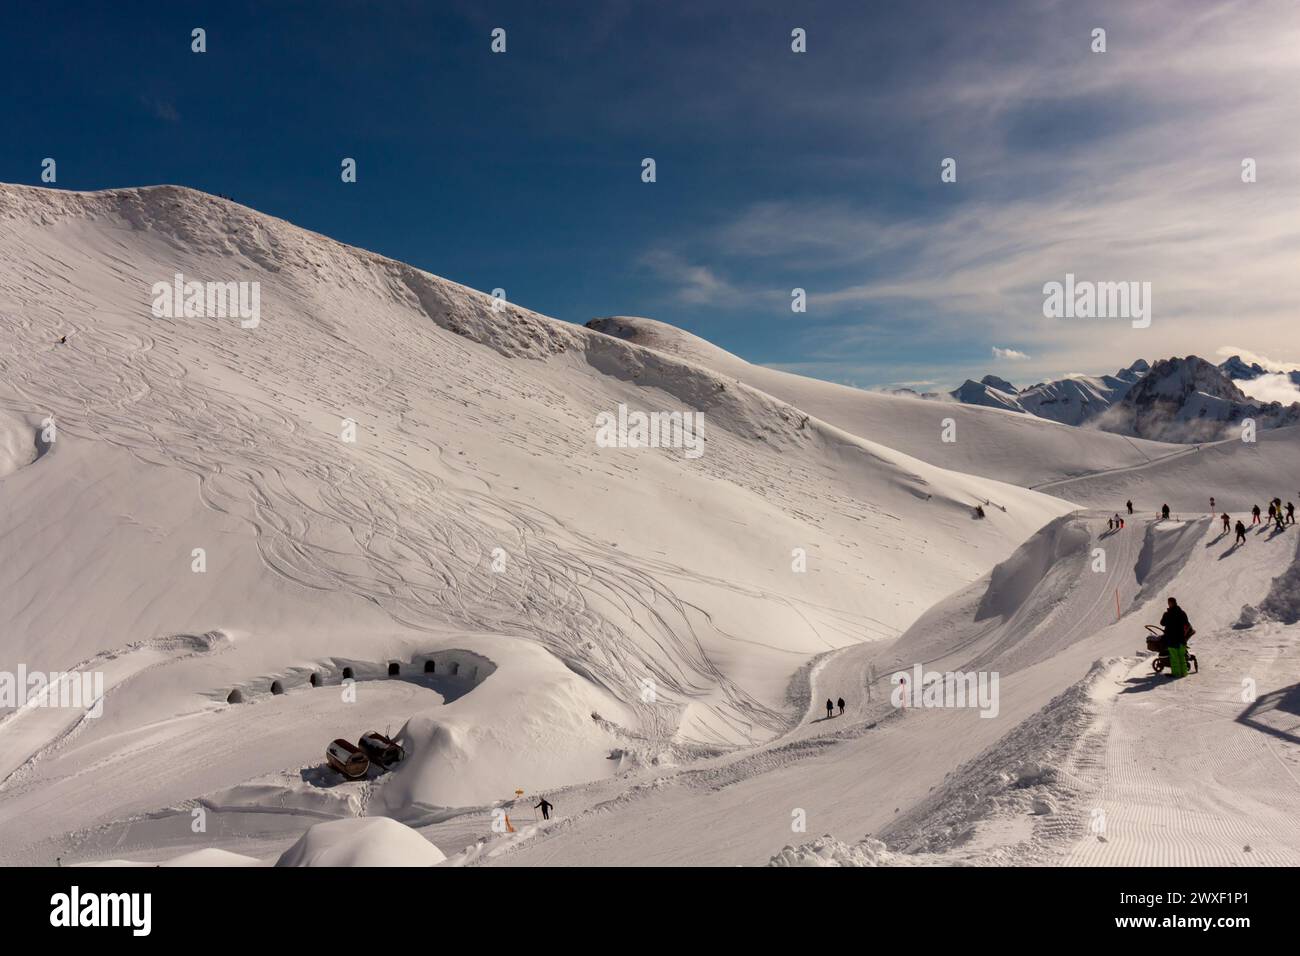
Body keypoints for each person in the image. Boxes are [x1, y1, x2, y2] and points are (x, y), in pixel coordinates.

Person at [1159, 597, 1193, 678]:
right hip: (1181, 639)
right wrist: (1184, 634)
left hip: (1171, 639)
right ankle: (1184, 673)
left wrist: (1165, 615)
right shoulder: (1182, 613)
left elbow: (1162, 623)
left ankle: (1176, 673)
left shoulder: (1168, 614)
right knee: (1181, 657)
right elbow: (1187, 625)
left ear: (1170, 603)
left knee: (1174, 658)